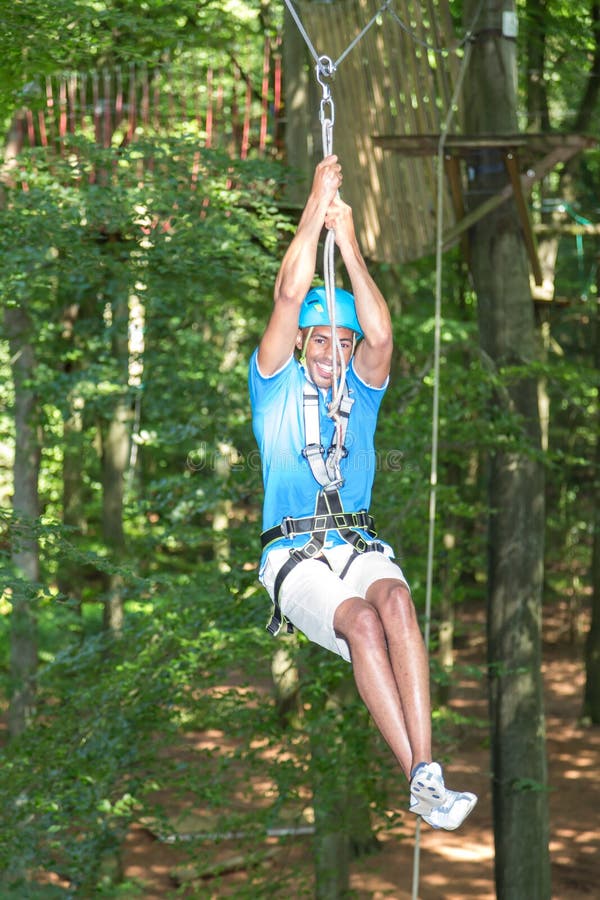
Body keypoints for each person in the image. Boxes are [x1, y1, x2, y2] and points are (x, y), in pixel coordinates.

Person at [248, 154, 477, 831]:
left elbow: (383, 334)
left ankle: (426, 774)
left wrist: (347, 240)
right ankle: (417, 773)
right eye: (321, 342)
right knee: (362, 622)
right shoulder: (275, 389)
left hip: (353, 542)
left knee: (398, 602)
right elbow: (288, 297)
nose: (333, 354)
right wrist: (315, 210)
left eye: (340, 345)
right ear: (303, 345)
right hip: (291, 558)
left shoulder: (361, 396)